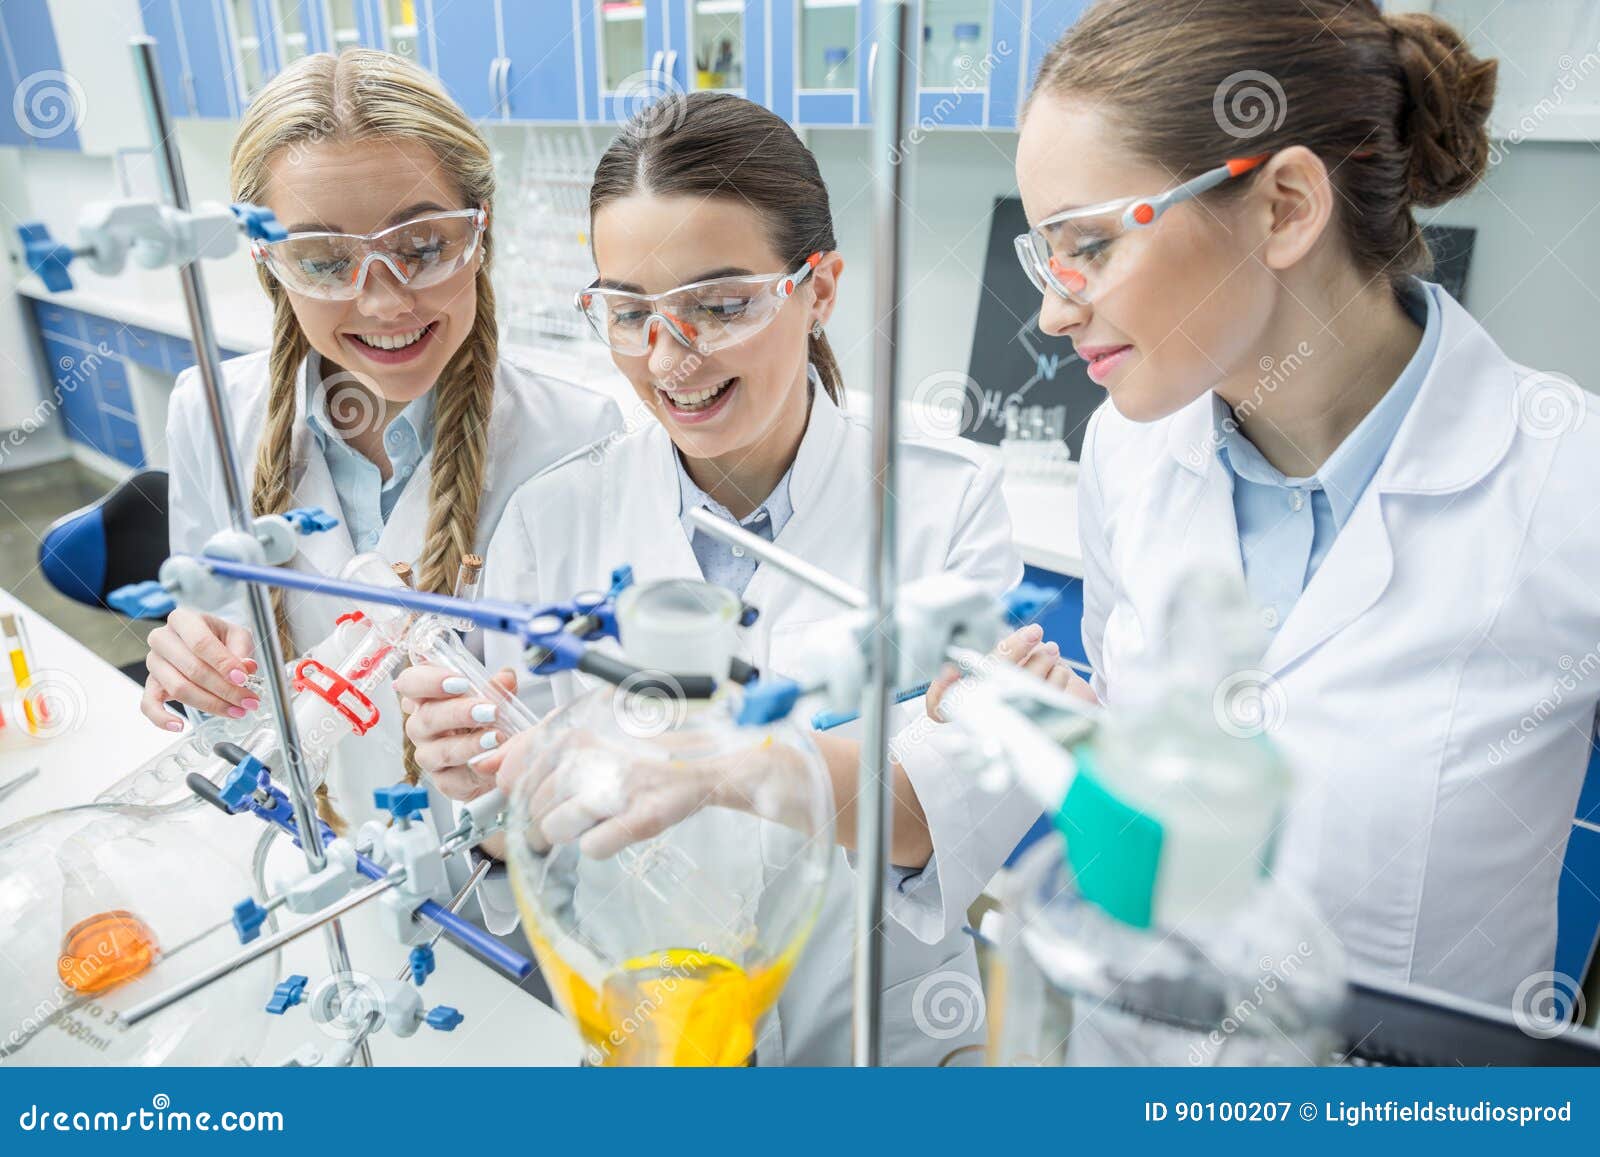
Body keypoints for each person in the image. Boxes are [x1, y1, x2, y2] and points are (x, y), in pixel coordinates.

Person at [395, 92, 1063, 1064]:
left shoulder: (942, 505)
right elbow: (523, 842)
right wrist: (489, 791)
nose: (670, 358)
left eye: (718, 304)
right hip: (650, 1037)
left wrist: (725, 771)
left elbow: (941, 817)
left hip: (886, 1041)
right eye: (628, 313)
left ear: (819, 287)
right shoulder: (555, 517)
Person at [1014, 0, 1598, 1008]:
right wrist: (1086, 745)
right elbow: (1172, 802)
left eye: (1091, 246)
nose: (1051, 307)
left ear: (1284, 205)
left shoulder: (1569, 485)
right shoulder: (1127, 450)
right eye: (1045, 253)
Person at [142, 49, 621, 827]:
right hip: (297, 858)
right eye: (326, 260)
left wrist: (506, 776)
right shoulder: (209, 411)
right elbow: (236, 697)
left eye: (422, 246)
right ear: (272, 267)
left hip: (485, 889)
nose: (386, 300)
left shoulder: (578, 438)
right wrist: (194, 668)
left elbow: (588, 745)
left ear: (480, 231)